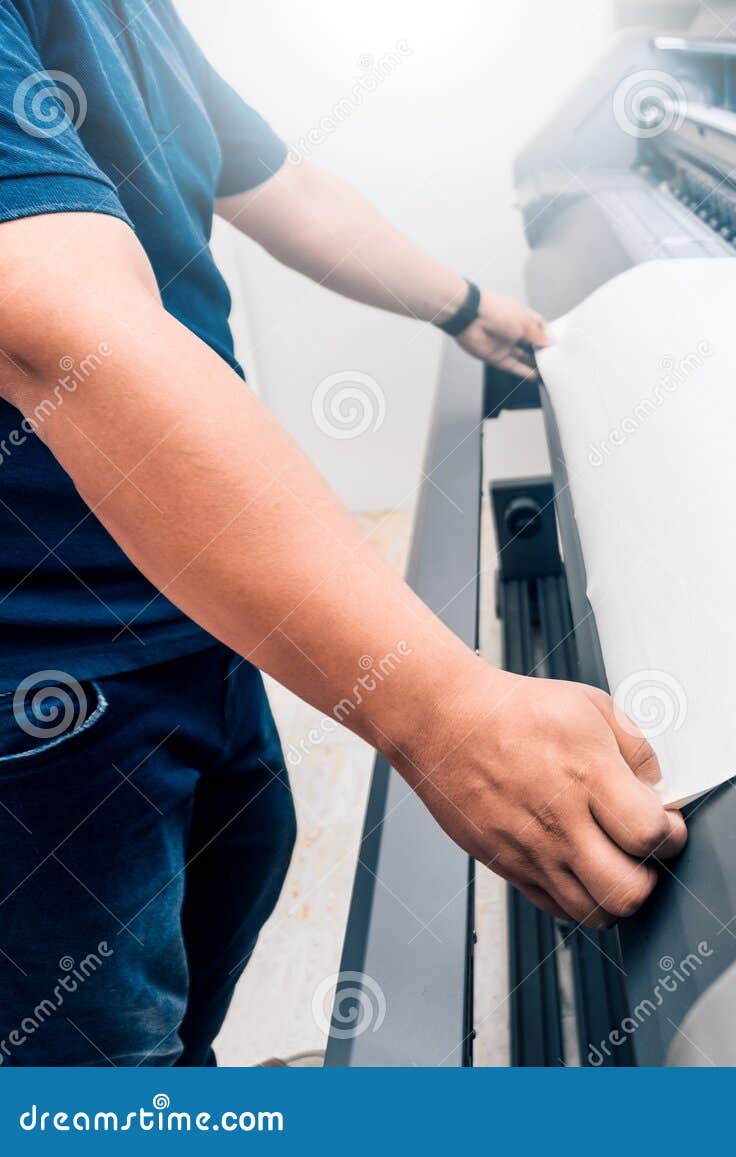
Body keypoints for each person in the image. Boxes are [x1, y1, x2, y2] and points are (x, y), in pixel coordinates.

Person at [0, 0, 685, 1066]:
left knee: (229, 889)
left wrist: (462, 305)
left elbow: (288, 189)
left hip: (201, 599)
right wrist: (443, 709)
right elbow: (59, 334)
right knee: (94, 1043)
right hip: (50, 674)